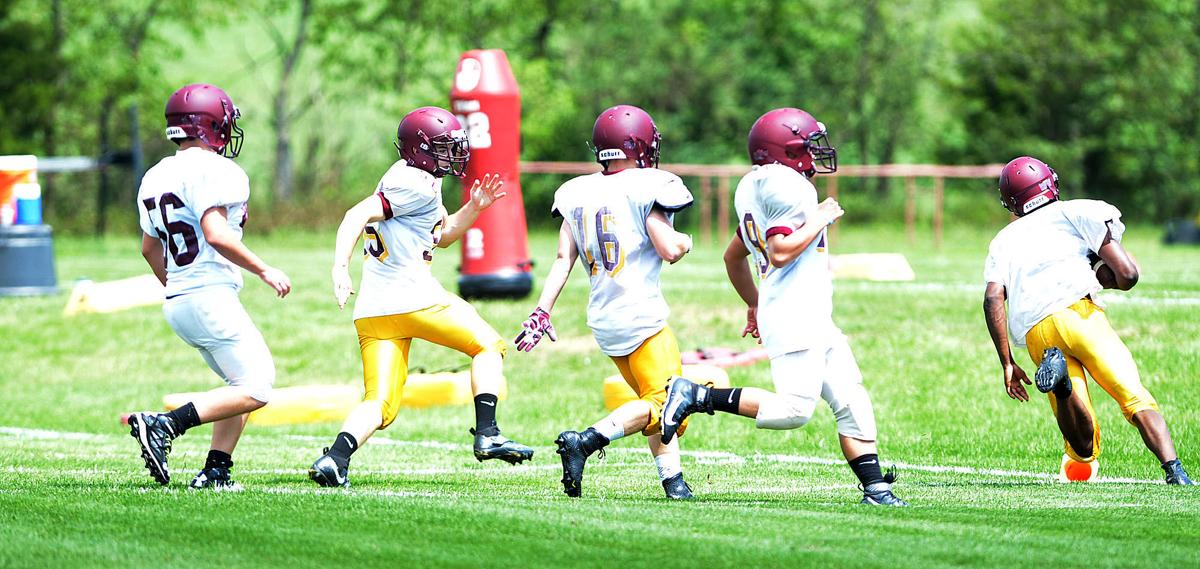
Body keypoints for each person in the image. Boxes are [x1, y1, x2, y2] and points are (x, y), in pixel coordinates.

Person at [660, 108, 906, 506]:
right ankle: (696, 395)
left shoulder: (754, 184)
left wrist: (756, 304)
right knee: (794, 410)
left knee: (851, 398)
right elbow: (779, 251)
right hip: (796, 314)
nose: (815, 153)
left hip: (802, 311)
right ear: (787, 150)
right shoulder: (790, 186)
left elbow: (732, 256)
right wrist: (821, 217)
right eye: (808, 146)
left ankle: (876, 489)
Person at [308, 106, 533, 488]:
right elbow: (354, 215)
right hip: (414, 298)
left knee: (382, 403)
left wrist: (475, 207)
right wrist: (339, 267)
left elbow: (441, 236)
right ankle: (488, 432)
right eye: (445, 147)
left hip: (374, 311)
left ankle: (335, 458)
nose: (454, 154)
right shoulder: (415, 183)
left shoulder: (412, 179)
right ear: (422, 148)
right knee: (489, 346)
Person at [515, 104, 696, 499]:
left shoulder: (578, 191)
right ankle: (587, 440)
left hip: (604, 319)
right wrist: (686, 241)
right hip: (641, 315)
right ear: (638, 144)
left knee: (654, 402)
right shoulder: (648, 185)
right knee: (670, 407)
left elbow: (564, 257)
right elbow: (669, 248)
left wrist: (541, 310)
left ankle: (674, 482)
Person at [982, 156, 1194, 485]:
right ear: (1049, 183)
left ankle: (1063, 386)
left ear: (1012, 200)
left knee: (1082, 448)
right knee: (1134, 397)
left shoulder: (1003, 239)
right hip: (1081, 315)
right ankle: (1175, 471)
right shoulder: (1077, 211)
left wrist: (1007, 362)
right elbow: (1128, 275)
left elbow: (993, 297)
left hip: (1039, 331)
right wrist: (1098, 269)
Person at [130, 83, 291, 489]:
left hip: (180, 299)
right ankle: (165, 424)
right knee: (257, 387)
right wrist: (264, 269)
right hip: (207, 296)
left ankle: (216, 471)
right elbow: (216, 234)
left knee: (239, 383)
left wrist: (178, 287)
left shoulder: (155, 175)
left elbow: (149, 249)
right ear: (212, 126)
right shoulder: (216, 170)